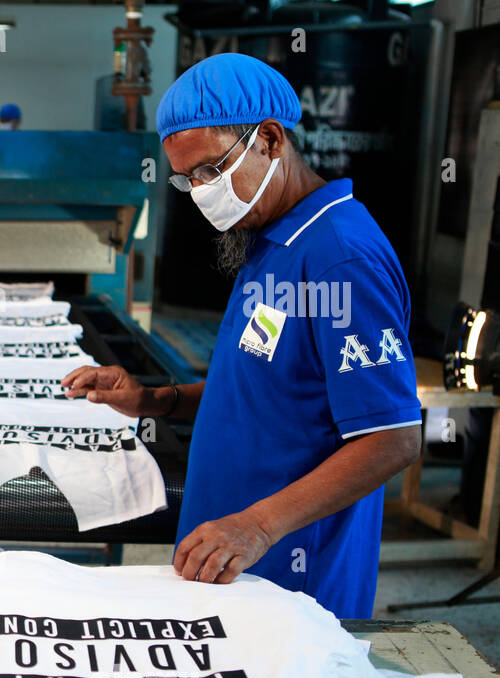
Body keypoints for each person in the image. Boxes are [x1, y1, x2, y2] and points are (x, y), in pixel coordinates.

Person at [62, 53, 420, 619]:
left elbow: (392, 438)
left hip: (293, 577)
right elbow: (264, 384)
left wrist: (257, 525)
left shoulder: (338, 258)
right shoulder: (272, 240)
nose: (201, 191)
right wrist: (155, 400)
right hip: (226, 561)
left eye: (210, 170)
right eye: (186, 179)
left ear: (271, 139)